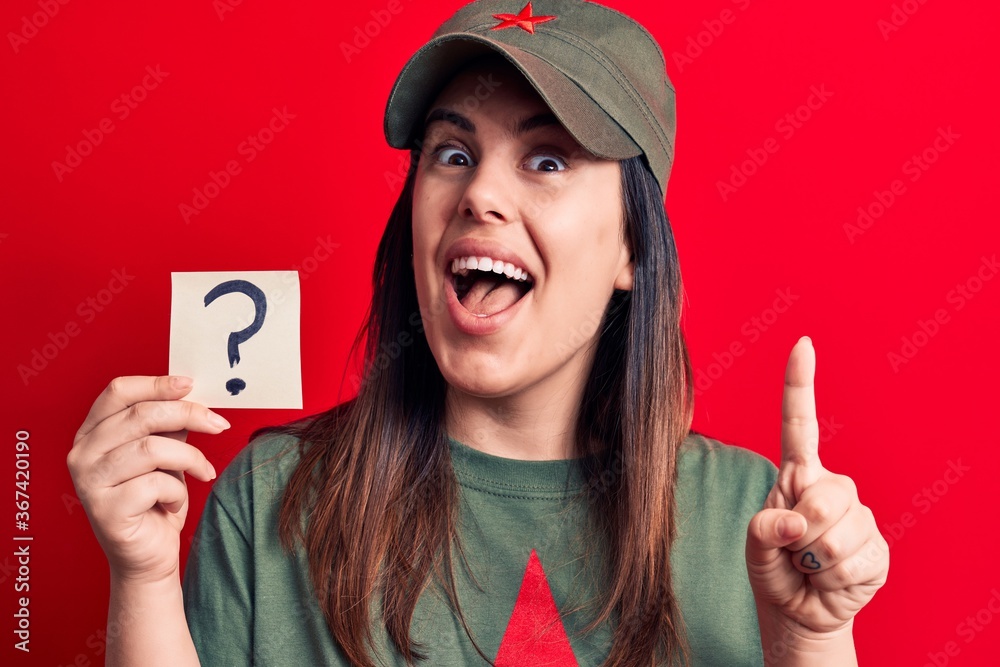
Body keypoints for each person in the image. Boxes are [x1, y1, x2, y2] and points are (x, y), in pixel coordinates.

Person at [67, 1, 889, 665]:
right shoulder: (270, 501)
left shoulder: (755, 525)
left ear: (634, 247)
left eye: (547, 160)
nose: (480, 193)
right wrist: (141, 576)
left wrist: (811, 642)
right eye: (452, 152)